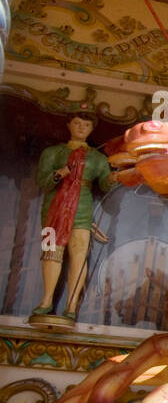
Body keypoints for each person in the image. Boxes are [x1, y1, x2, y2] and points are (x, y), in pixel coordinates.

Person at [32, 113, 115, 323]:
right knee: (51, 251)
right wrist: (58, 174)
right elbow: (41, 180)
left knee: (79, 254)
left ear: (91, 129)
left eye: (86, 124)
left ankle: (71, 304)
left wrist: (113, 178)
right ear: (69, 125)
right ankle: (46, 300)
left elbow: (105, 185)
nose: (81, 128)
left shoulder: (98, 158)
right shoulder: (52, 152)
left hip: (82, 210)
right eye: (77, 123)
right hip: (53, 209)